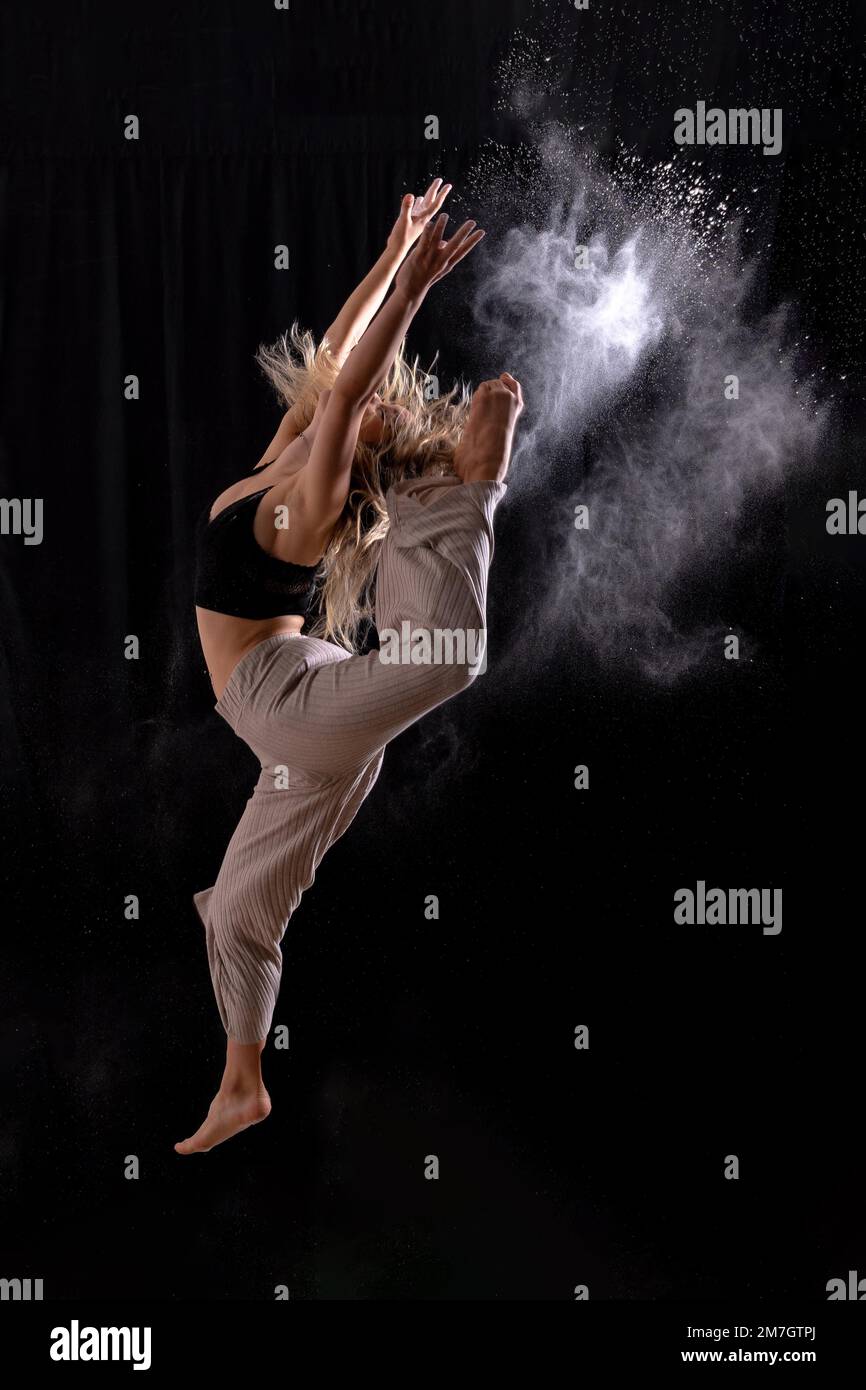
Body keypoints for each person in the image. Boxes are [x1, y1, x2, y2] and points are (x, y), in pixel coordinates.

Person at [177, 179, 523, 1153]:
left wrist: (412, 290)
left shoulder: (313, 496)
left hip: (289, 704)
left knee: (447, 656)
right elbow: (337, 358)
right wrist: (388, 255)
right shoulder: (283, 454)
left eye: (374, 405)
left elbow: (348, 382)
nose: (368, 395)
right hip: (298, 708)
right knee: (238, 911)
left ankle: (472, 489)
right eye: (372, 395)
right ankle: (242, 1084)